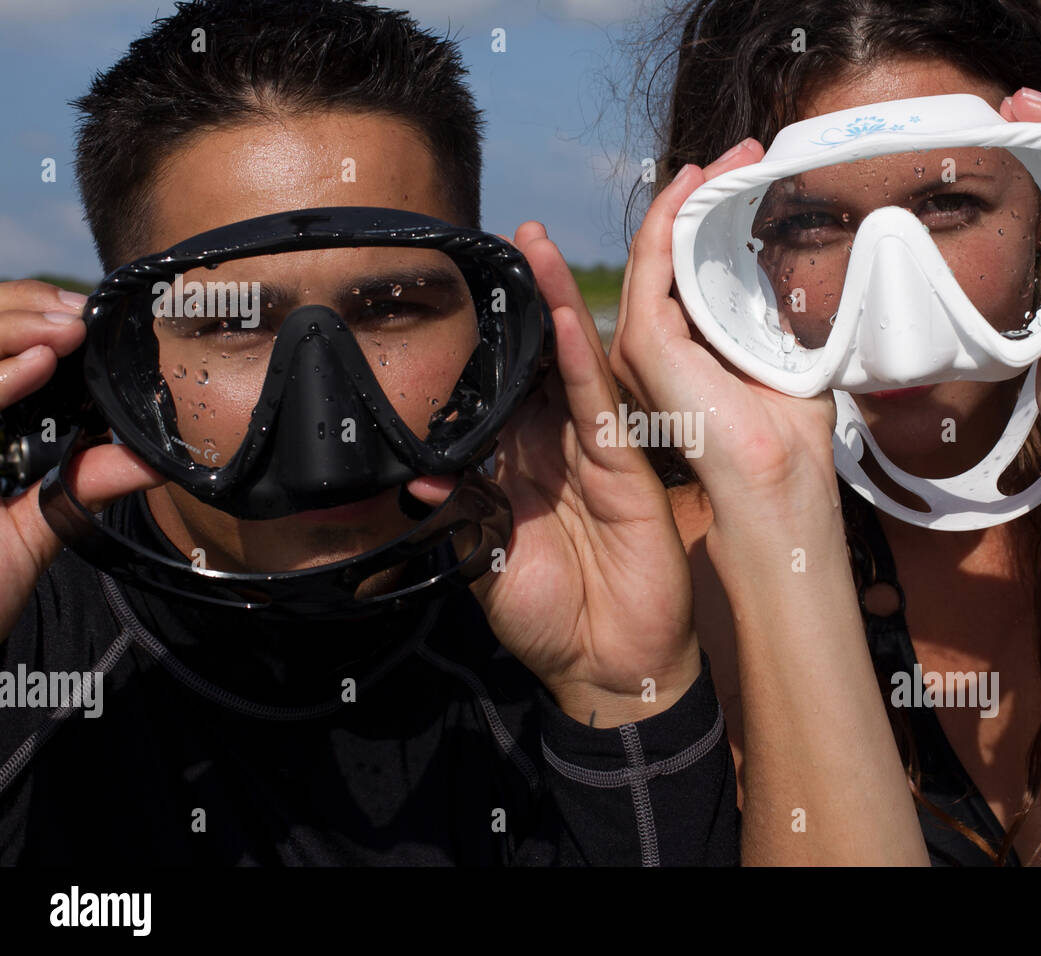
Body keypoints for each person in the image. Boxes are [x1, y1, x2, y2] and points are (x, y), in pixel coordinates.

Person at [0, 0, 738, 866]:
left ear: (495, 337)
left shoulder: (568, 625)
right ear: (117, 360)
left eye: (392, 309)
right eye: (236, 324)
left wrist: (624, 698)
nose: (325, 433)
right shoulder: (32, 649)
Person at [612, 0, 1041, 865]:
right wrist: (778, 512)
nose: (897, 317)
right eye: (810, 224)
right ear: (729, 251)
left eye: (948, 204)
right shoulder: (683, 573)